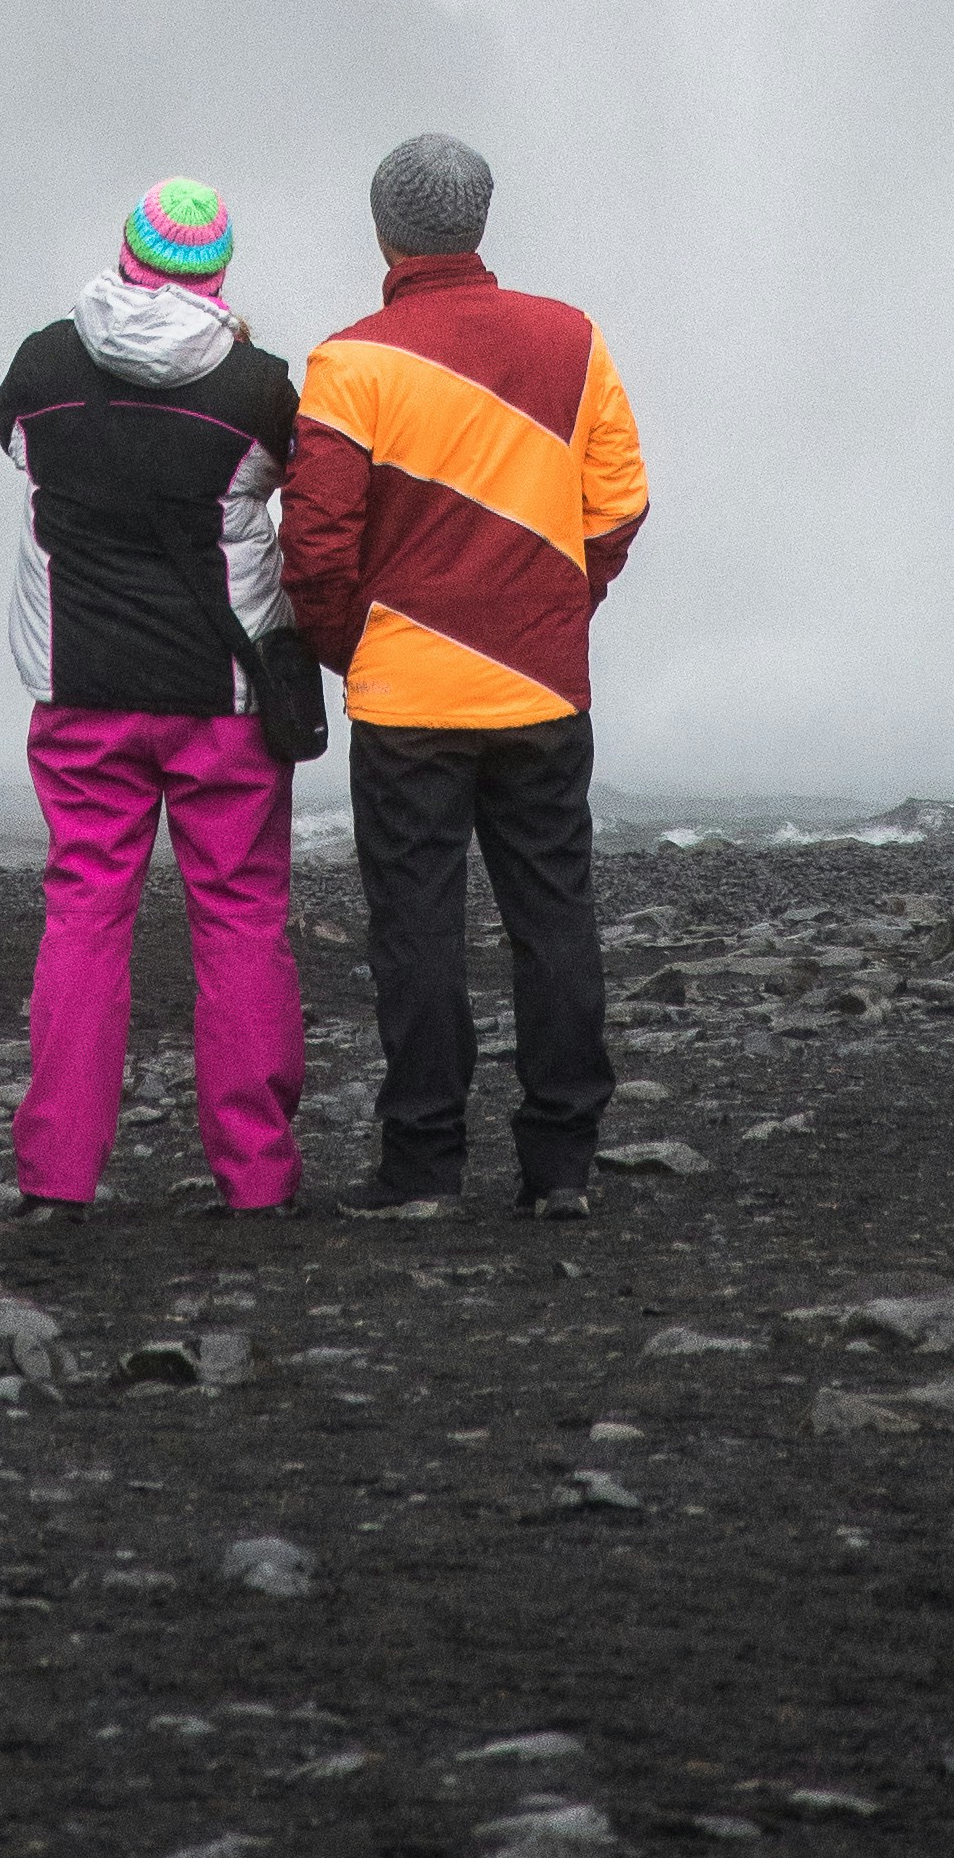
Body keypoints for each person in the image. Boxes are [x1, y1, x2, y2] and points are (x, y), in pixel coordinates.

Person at [277, 130, 648, 1216]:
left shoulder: (351, 364)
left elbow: (317, 544)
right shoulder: (571, 338)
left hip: (407, 699)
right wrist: (555, 607)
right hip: (541, 685)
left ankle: (423, 1166)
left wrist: (350, 645)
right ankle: (561, 1166)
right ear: (478, 221)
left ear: (384, 229)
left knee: (419, 932)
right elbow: (617, 504)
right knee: (553, 918)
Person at [0, 175, 306, 1215]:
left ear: (127, 257)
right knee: (239, 918)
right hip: (221, 696)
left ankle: (55, 1178)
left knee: (84, 914)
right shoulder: (257, 390)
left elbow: (17, 446)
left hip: (80, 689)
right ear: (216, 273)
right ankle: (256, 1178)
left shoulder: (42, 366)